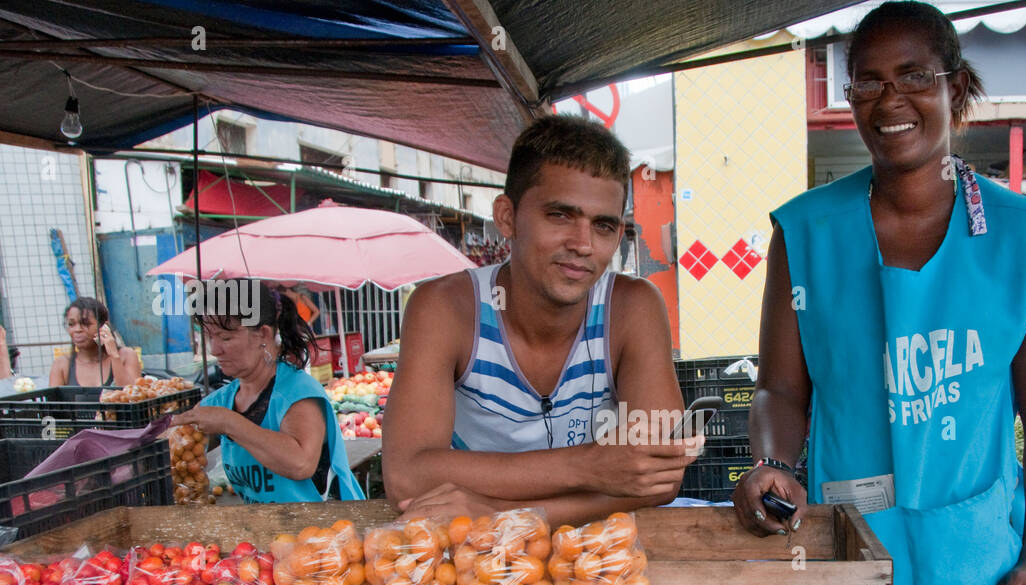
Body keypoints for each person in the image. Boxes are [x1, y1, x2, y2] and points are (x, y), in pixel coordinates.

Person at [733, 1, 1026, 585]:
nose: (890, 99)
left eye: (914, 76)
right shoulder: (805, 235)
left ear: (957, 86)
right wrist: (772, 462)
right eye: (868, 81)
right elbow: (780, 389)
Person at [383, 115, 695, 526]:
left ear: (618, 236)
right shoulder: (446, 308)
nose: (582, 244)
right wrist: (591, 467)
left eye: (602, 225)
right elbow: (407, 477)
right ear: (508, 217)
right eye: (560, 216)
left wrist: (501, 515)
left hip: (591, 557)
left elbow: (659, 477)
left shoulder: (633, 307)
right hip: (467, 555)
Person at [173, 280, 364, 503]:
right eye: (210, 337)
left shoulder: (297, 392)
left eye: (225, 337)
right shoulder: (222, 401)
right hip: (268, 531)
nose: (214, 349)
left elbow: (301, 463)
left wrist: (229, 423)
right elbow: (182, 446)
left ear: (263, 334)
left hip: (326, 532)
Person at [48, 297, 142, 388]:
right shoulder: (62, 364)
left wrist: (114, 355)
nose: (77, 330)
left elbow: (132, 397)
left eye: (85, 323)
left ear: (103, 327)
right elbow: (52, 403)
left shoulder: (126, 356)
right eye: (71, 324)